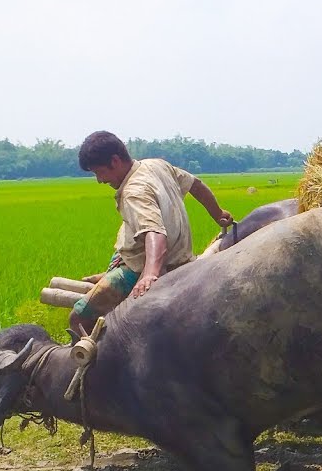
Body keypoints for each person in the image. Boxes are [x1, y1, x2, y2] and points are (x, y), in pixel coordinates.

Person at [69, 131, 235, 336]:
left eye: (99, 172)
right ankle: (112, 272)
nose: (99, 180)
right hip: (178, 256)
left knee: (78, 317)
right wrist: (218, 213)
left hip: (140, 267)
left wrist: (150, 274)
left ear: (115, 161)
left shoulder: (134, 191)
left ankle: (93, 366)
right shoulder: (156, 165)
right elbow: (196, 185)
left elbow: (155, 233)